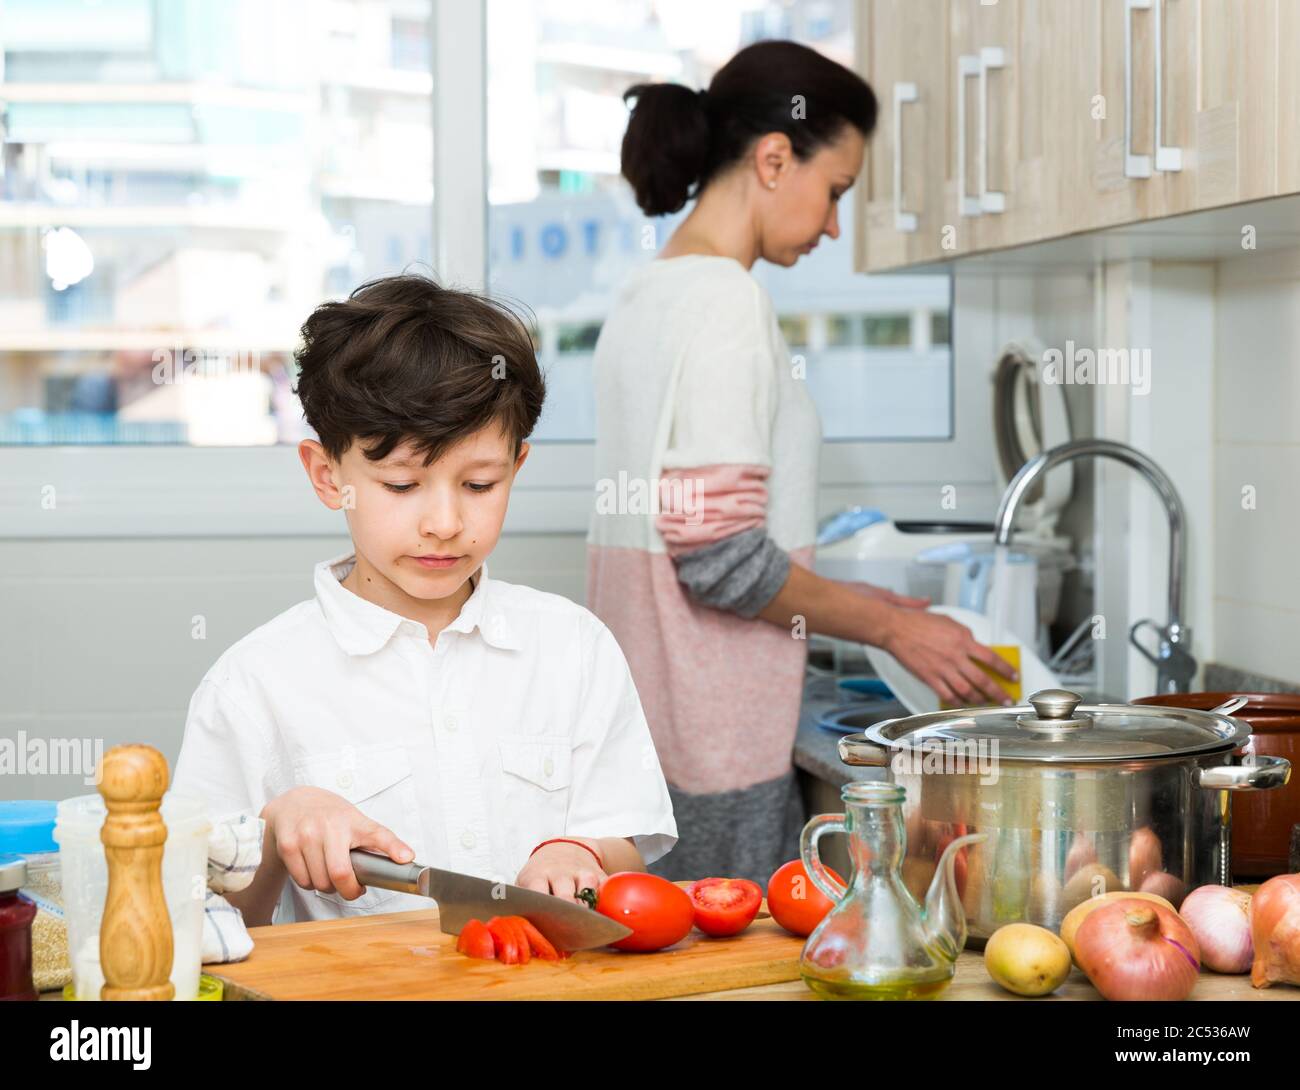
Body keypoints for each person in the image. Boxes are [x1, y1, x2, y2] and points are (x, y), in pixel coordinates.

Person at [587, 41, 1017, 884]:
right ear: (775, 157)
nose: (831, 225)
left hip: (644, 741)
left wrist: (856, 599)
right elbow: (718, 559)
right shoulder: (726, 303)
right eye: (837, 192)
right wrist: (896, 628)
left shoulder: (649, 294)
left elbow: (692, 531)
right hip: (715, 750)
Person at [173, 274, 677, 925]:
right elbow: (199, 918)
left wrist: (575, 849)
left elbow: (626, 835)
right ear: (328, 476)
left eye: (478, 483)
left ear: (516, 469)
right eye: (403, 485)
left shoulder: (573, 647)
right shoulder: (253, 684)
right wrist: (276, 831)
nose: (444, 522)